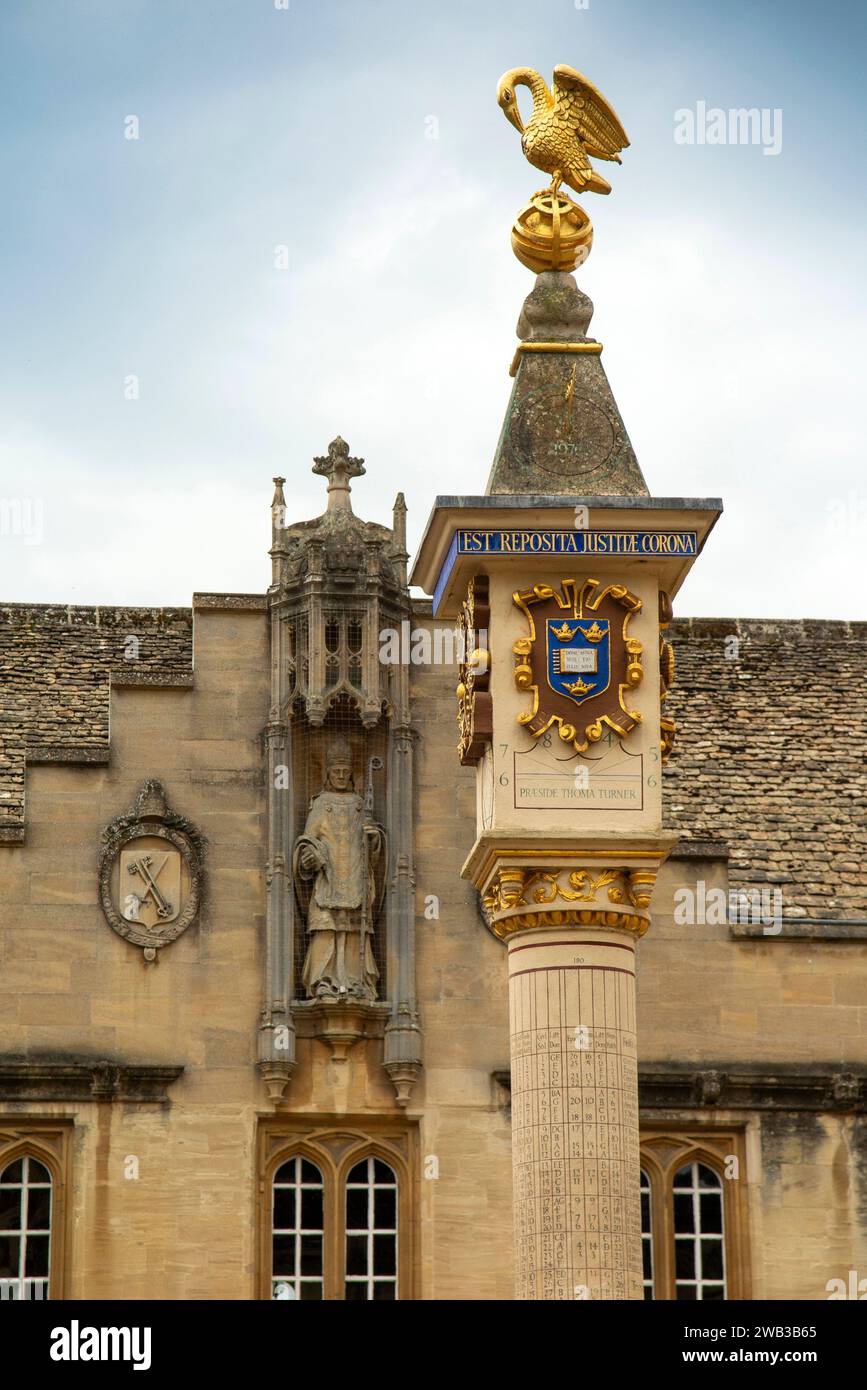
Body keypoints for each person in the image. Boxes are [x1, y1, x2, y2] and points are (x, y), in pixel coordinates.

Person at [293, 738, 383, 1000]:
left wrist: (373, 838)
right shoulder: (321, 804)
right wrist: (309, 856)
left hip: (355, 876)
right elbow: (307, 839)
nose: (341, 776)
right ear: (328, 773)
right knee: (327, 929)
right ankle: (323, 979)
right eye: (336, 772)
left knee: (355, 930)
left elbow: (374, 843)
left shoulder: (359, 803)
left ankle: (356, 981)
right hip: (329, 879)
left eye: (346, 772)